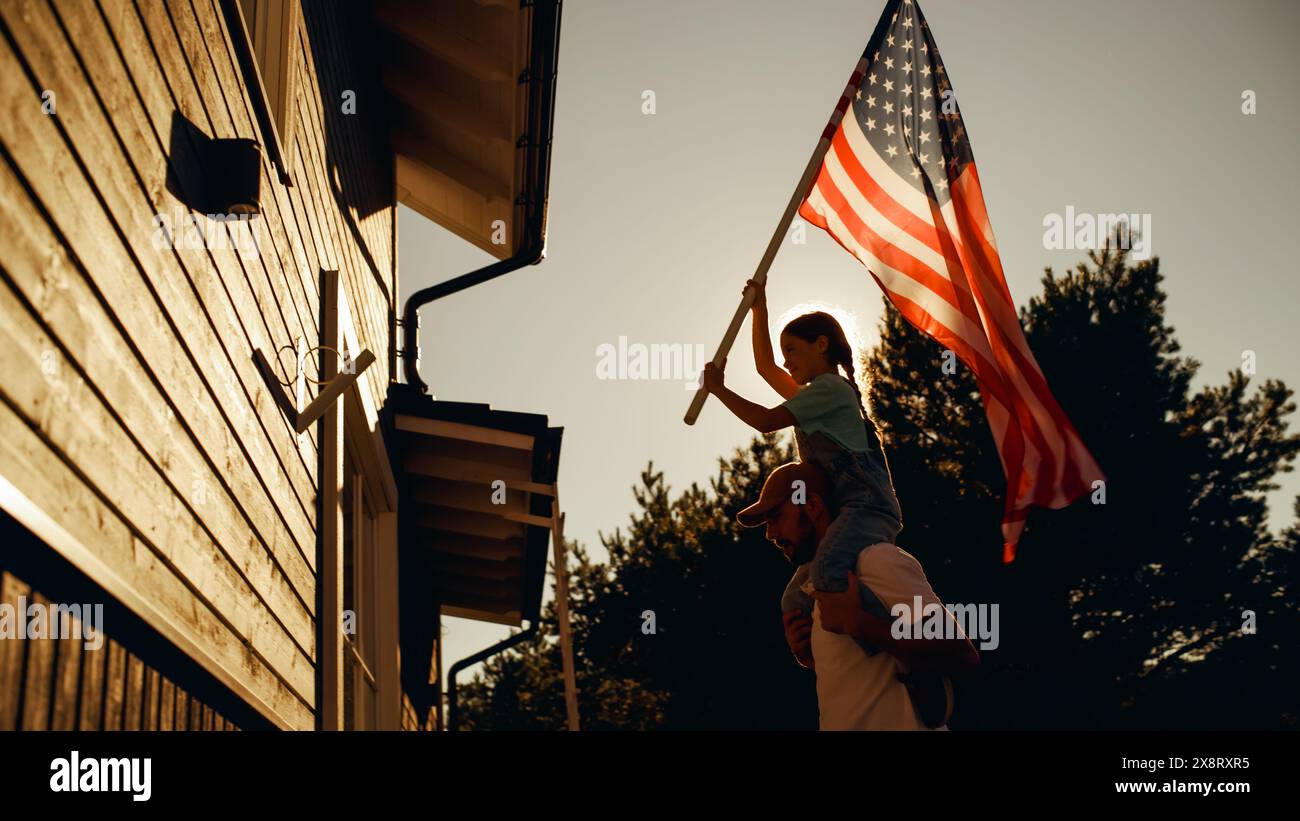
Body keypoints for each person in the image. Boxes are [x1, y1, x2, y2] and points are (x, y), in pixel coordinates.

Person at [700, 278, 903, 643]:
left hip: (866, 508)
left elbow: (765, 422)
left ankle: (892, 635)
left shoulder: (829, 389)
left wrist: (719, 390)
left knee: (825, 572)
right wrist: (759, 307)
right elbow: (765, 367)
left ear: (821, 345)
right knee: (795, 596)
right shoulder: (818, 397)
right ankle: (817, 652)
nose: (785, 360)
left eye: (792, 350)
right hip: (848, 511)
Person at [736, 461, 979, 730]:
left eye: (777, 517)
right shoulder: (815, 590)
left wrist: (860, 623)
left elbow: (961, 654)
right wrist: (809, 657)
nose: (770, 534)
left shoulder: (877, 560)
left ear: (813, 506)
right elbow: (863, 679)